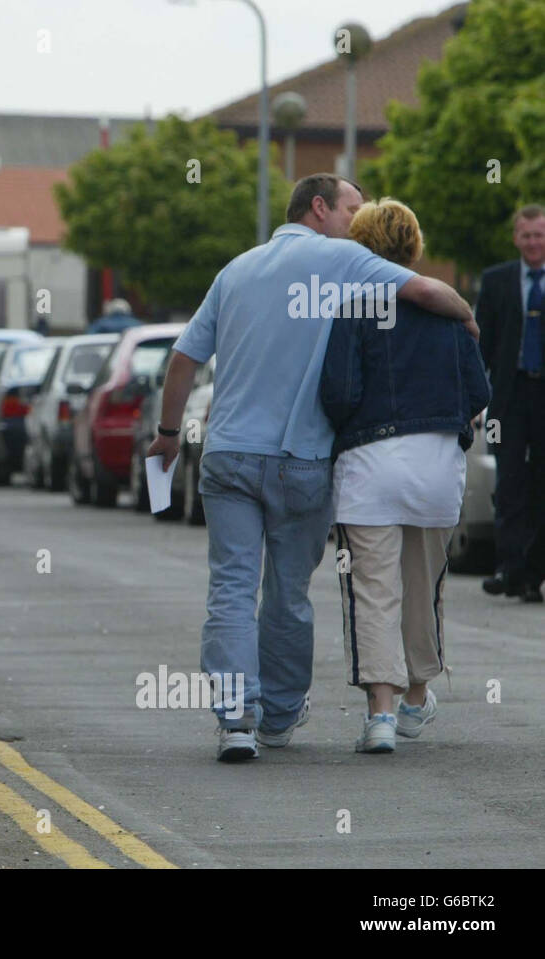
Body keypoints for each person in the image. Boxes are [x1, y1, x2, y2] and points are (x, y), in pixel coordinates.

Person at [146, 173, 477, 762]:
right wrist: (468, 321)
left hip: (227, 456)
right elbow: (428, 293)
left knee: (229, 588)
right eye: (352, 206)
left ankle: (235, 721)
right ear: (319, 207)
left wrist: (170, 435)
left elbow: (184, 358)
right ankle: (277, 715)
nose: (358, 218)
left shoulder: (236, 270)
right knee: (287, 593)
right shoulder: (344, 259)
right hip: (302, 462)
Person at [319, 199, 491, 754]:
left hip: (369, 467)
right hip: (435, 466)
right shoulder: (448, 311)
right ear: (413, 245)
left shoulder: (351, 309)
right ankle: (418, 695)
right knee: (425, 586)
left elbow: (339, 393)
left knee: (373, 589)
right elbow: (479, 394)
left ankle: (381, 715)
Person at [475, 205, 545, 604]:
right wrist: (473, 397)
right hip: (510, 396)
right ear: (516, 238)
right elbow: (482, 346)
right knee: (510, 482)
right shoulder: (497, 281)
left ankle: (534, 571)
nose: (534, 242)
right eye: (527, 235)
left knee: (541, 485)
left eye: (540, 235)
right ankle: (509, 567)